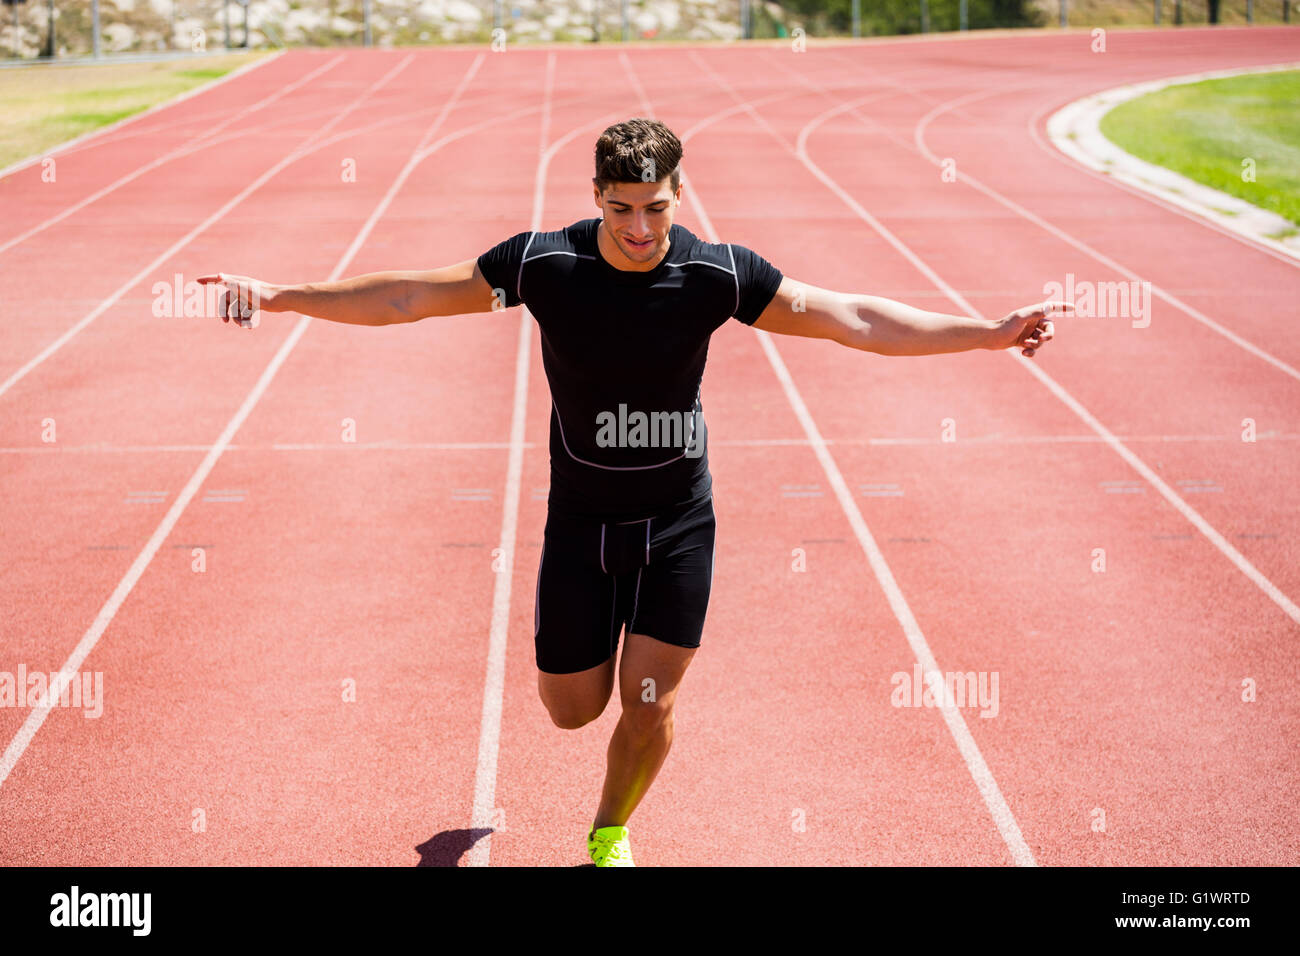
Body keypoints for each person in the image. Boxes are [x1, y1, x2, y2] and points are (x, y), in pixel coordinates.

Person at [199, 117, 1065, 867]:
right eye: (621, 210)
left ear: (680, 193)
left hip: (679, 520)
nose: (640, 228)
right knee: (572, 712)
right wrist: (276, 296)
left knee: (651, 702)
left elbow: (854, 319)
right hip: (580, 522)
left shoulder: (717, 275)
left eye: (656, 208)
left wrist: (988, 335)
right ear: (597, 196)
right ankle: (584, 718)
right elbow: (407, 295)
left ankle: (609, 833)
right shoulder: (542, 264)